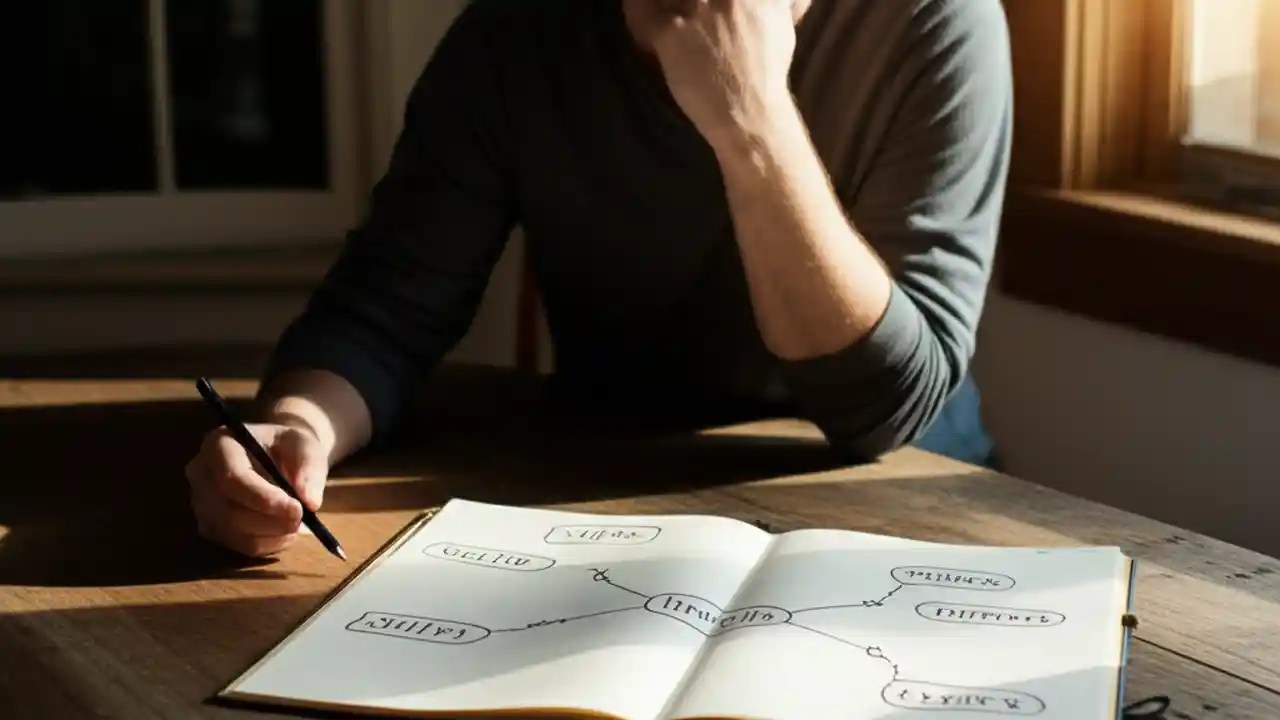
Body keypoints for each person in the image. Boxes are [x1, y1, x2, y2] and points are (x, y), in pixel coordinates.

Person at [184, 0, 1012, 558]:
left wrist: (751, 116)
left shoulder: (935, 22)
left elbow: (885, 408)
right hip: (608, 508)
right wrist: (296, 431)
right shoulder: (519, 31)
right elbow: (384, 313)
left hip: (905, 517)